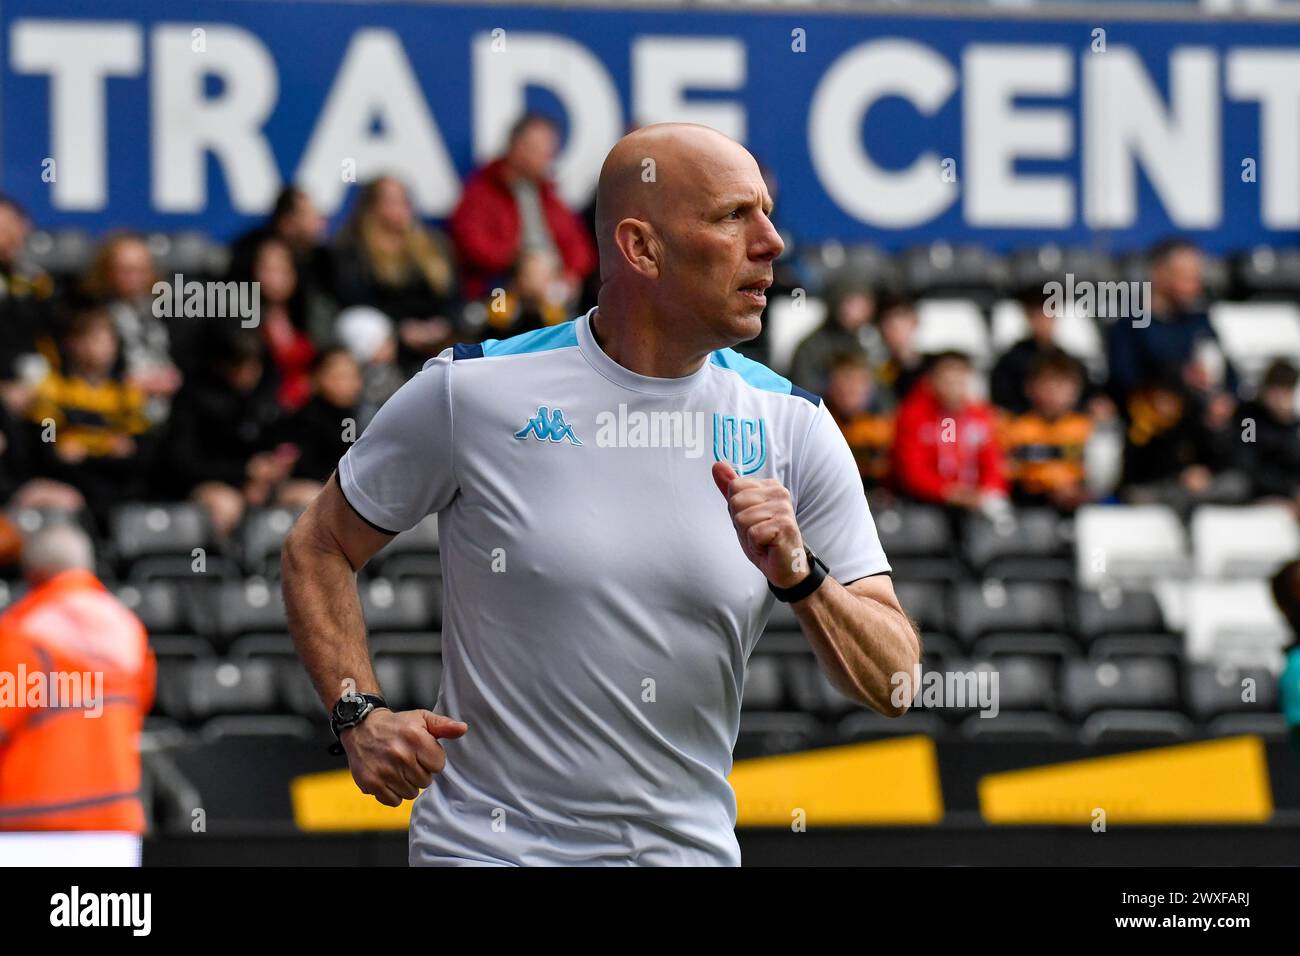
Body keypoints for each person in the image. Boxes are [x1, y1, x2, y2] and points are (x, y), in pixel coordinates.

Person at [282, 123, 918, 867]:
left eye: (767, 213)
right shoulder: (475, 389)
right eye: (731, 216)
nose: (772, 242)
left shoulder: (796, 425)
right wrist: (358, 713)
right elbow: (317, 545)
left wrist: (804, 578)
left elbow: (899, 682)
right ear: (641, 248)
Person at [0, 524, 155, 832]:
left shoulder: (20, 633)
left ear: (33, 574)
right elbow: (139, 710)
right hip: (116, 821)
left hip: (30, 825)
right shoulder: (129, 628)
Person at [24, 306, 155, 530]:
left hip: (116, 481)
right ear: (72, 343)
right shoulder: (53, 389)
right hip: (70, 479)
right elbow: (44, 436)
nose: (98, 348)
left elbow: (141, 443)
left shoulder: (128, 394)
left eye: (106, 340)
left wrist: (130, 447)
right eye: (90, 339)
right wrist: (57, 444)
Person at [448, 113, 596, 302]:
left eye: (550, 151)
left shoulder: (548, 195)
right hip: (500, 291)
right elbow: (472, 244)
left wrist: (569, 274)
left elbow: (579, 247)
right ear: (517, 147)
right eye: (539, 149)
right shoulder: (481, 191)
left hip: (551, 289)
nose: (547, 157)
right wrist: (520, 263)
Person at [332, 176, 459, 376]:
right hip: (390, 338)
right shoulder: (354, 249)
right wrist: (400, 328)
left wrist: (442, 324)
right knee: (364, 327)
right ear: (371, 207)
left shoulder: (434, 244)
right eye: (390, 201)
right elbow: (356, 300)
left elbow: (453, 295)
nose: (399, 208)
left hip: (436, 335)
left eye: (403, 200)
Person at [1106, 238, 1236, 402]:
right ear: (1159, 273)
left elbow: (1229, 376)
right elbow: (1124, 380)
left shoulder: (1199, 321)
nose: (1195, 286)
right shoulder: (1130, 325)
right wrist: (1180, 376)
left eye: (1197, 277)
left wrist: (1225, 400)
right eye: (1185, 277)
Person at [79, 233, 182, 425]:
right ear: (107, 271)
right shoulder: (88, 312)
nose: (133, 278)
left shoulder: (170, 312)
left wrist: (174, 377)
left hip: (169, 413)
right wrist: (127, 382)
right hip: (111, 413)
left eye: (140, 270)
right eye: (124, 270)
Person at [891, 350, 1008, 514]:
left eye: (959, 381)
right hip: (926, 503)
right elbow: (912, 471)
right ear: (933, 381)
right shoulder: (913, 415)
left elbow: (992, 462)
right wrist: (948, 492)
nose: (953, 388)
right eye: (947, 382)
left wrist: (987, 491)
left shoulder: (980, 416)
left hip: (973, 502)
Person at [998, 353, 1094, 511]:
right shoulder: (1016, 429)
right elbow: (1007, 470)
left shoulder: (1087, 429)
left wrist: (1079, 491)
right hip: (1031, 506)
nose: (1055, 392)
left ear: (1077, 389)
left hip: (1081, 504)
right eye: (1048, 384)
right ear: (1030, 387)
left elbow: (1099, 472)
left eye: (1062, 384)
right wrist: (1048, 486)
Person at [990, 286, 1096, 415]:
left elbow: (1087, 398)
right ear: (1027, 316)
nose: (1044, 321)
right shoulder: (1010, 363)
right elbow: (1003, 403)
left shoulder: (1069, 361)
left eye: (1049, 313)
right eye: (1038, 314)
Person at [787, 273, 874, 394]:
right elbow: (804, 394)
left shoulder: (863, 344)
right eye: (851, 304)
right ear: (836, 303)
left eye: (862, 305)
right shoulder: (811, 347)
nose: (857, 312)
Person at [822, 352, 894, 490]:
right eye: (844, 383)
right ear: (831, 388)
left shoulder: (884, 427)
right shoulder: (818, 424)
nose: (850, 390)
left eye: (857, 384)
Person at [1236, 359, 1300, 513]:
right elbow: (1248, 466)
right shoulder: (1249, 419)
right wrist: (1290, 490)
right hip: (1257, 493)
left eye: (1286, 393)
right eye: (1276, 393)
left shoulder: (1293, 424)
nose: (1281, 401)